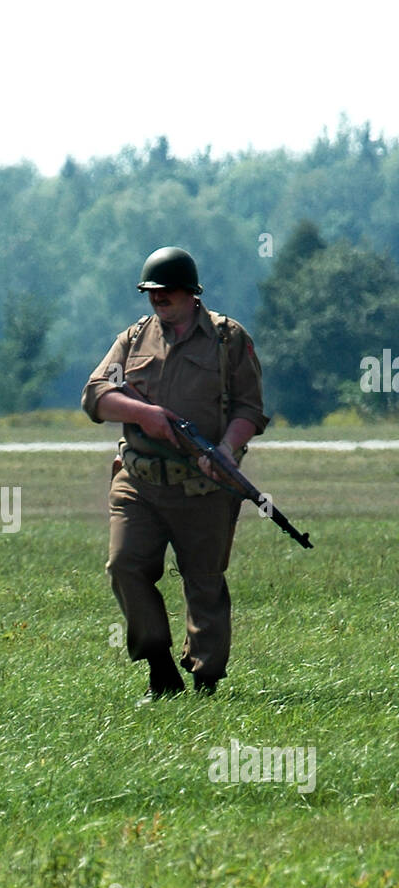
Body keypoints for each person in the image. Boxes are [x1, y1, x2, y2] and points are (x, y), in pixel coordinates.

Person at [81, 246, 270, 701]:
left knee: (203, 580)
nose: (157, 300)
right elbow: (96, 395)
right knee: (125, 565)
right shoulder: (132, 339)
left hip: (205, 483)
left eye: (165, 292)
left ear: (190, 292)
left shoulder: (229, 340)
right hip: (140, 480)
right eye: (150, 293)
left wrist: (225, 449)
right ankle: (160, 668)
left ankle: (206, 681)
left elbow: (250, 408)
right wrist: (143, 414)